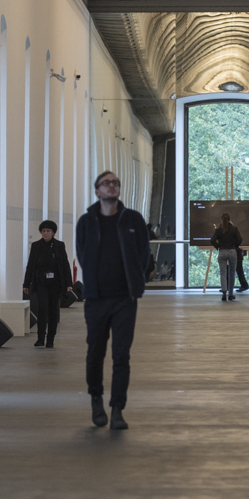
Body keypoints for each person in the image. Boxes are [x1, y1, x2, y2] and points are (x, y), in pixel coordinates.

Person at [76, 170, 152, 431]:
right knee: (95, 352)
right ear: (97, 191)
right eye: (106, 183)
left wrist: (134, 281)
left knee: (121, 355)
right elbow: (82, 254)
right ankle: (96, 398)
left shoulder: (132, 219)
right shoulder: (87, 222)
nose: (112, 186)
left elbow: (143, 254)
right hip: (96, 299)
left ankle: (117, 408)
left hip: (124, 299)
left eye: (115, 183)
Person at [22, 220, 68, 348]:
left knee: (53, 310)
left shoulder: (59, 245)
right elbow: (30, 265)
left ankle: (50, 339)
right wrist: (26, 284)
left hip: (55, 283)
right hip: (41, 282)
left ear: (53, 232)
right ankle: (40, 338)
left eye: (48, 231)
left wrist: (69, 283)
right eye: (43, 231)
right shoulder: (36, 246)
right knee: (42, 308)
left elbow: (65, 265)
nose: (45, 233)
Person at [211, 212, 242, 301]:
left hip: (222, 251)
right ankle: (231, 294)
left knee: (223, 273)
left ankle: (224, 293)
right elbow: (240, 239)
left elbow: (212, 240)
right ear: (229, 219)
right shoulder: (234, 228)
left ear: (222, 219)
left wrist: (218, 246)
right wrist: (235, 245)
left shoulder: (219, 229)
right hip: (232, 252)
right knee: (232, 273)